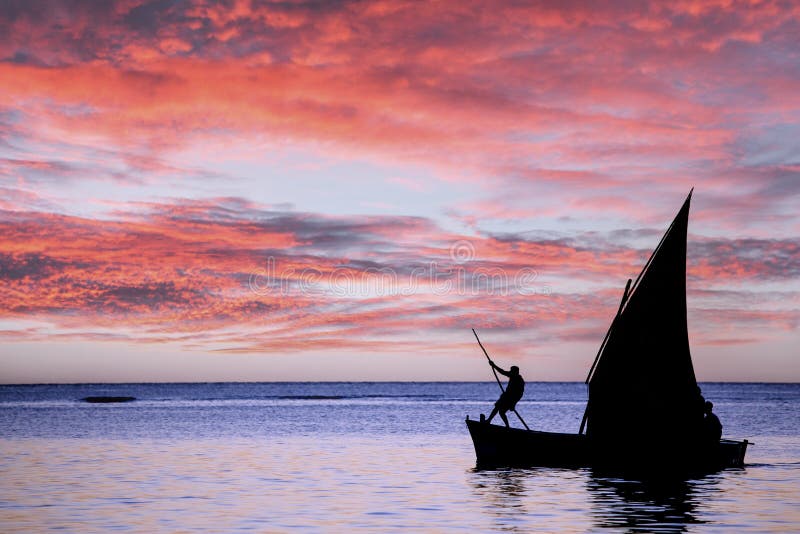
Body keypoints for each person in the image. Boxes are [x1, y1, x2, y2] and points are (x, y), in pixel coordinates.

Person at [485, 360, 524, 427]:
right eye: (510, 371)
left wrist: (514, 404)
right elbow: (502, 372)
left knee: (500, 411)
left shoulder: (519, 381)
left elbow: (520, 395)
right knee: (498, 408)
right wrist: (494, 366)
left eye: (512, 371)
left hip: (510, 399)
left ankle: (506, 426)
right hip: (506, 396)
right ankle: (490, 421)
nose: (510, 372)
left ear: (516, 372)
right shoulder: (512, 375)